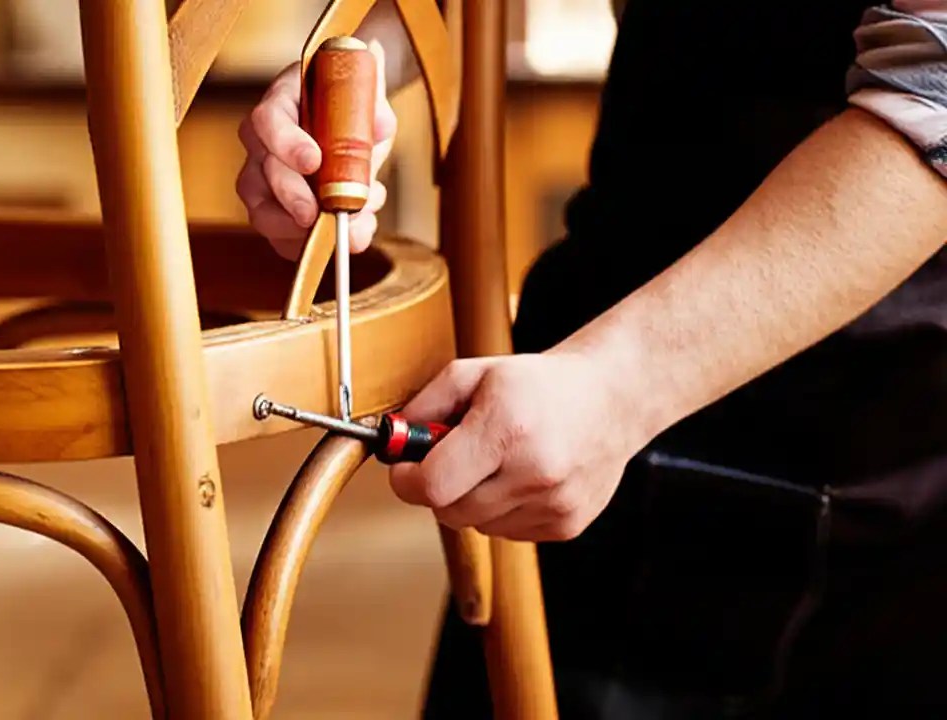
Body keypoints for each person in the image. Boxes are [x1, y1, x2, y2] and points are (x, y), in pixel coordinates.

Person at [237, 1, 947, 718]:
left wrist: (621, 384)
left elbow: (935, 85)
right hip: (577, 402)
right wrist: (358, 64)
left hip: (881, 452)